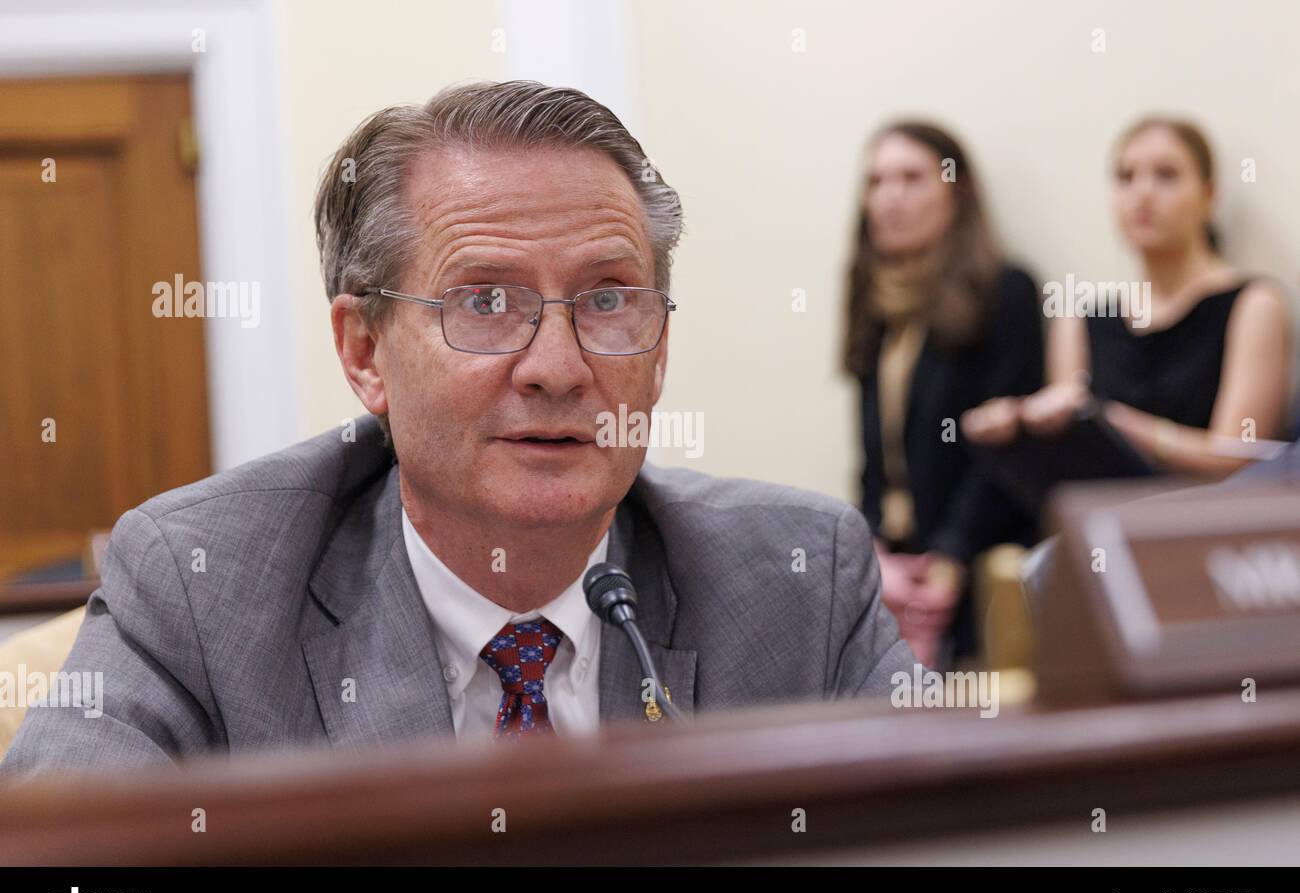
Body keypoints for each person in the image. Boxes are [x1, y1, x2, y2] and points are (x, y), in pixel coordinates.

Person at [2, 80, 914, 776]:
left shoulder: (803, 578)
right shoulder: (203, 589)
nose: (557, 365)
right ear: (365, 351)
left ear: (660, 344)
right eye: (485, 301)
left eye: (606, 299)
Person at [963, 117, 1292, 479]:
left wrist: (1120, 426)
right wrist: (1021, 422)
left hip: (1209, 525)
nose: (1142, 193)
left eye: (1166, 175)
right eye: (1126, 177)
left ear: (1208, 195)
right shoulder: (1079, 320)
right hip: (1104, 524)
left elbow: (1240, 457)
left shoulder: (1253, 304)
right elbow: (1071, 449)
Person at [844, 122, 1043, 669]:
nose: (890, 198)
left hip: (975, 564)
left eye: (911, 179)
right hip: (895, 565)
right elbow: (874, 460)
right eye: (877, 182)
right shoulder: (877, 305)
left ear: (957, 193)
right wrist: (870, 556)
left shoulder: (1006, 292)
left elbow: (1004, 453)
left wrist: (951, 557)